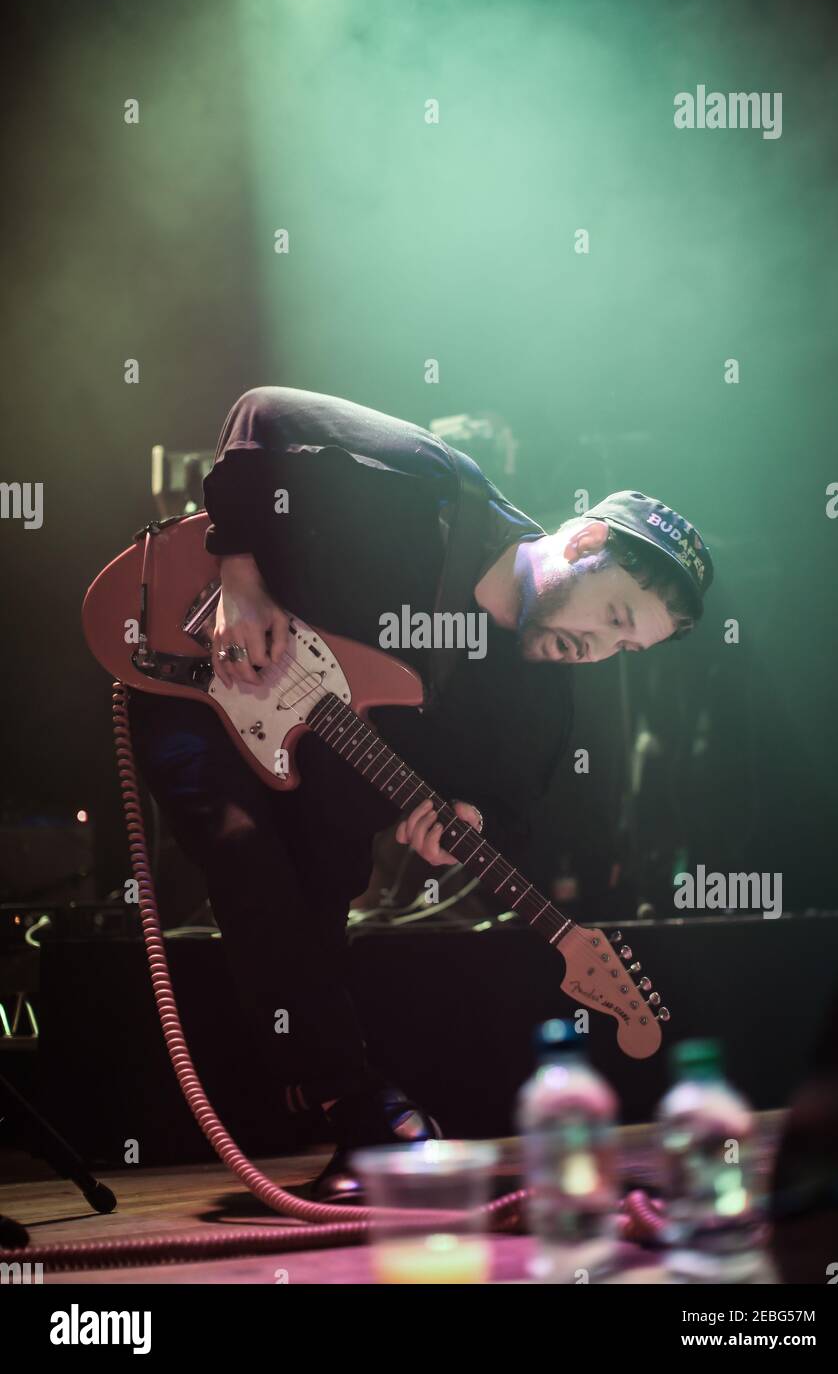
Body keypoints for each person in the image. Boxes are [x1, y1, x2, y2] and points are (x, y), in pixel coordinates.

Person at [126, 385, 714, 1202]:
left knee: (320, 889)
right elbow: (261, 413)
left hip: (313, 767)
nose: (600, 649)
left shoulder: (541, 712)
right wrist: (241, 573)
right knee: (242, 847)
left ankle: (351, 1119)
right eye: (614, 613)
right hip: (194, 662)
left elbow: (506, 816)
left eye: (626, 642)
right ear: (582, 540)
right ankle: (363, 1107)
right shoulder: (437, 485)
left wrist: (467, 818)